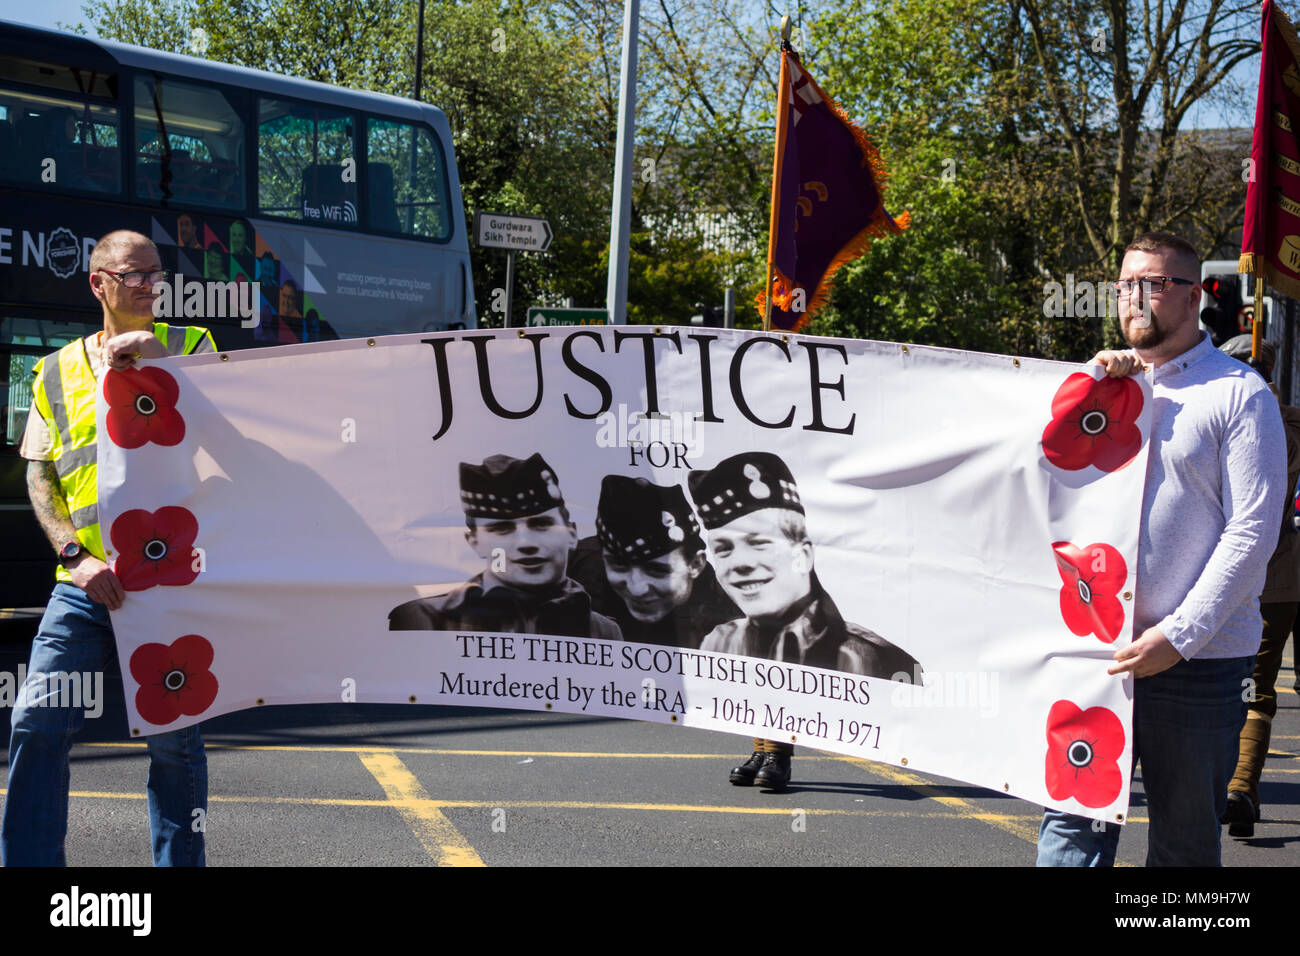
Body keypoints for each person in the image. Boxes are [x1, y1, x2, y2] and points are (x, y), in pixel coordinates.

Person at [1036, 232, 1287, 867]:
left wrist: (1179, 636)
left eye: (1155, 283)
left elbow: (1253, 531)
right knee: (1071, 834)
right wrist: (1087, 390)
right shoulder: (1101, 386)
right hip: (1094, 648)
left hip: (1196, 664)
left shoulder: (1239, 394)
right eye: (1125, 285)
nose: (1135, 298)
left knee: (1182, 845)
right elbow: (1040, 488)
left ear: (1196, 294)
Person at [2, 230, 215, 866]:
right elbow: (40, 471)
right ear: (99, 284)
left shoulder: (192, 346)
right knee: (36, 722)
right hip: (85, 586)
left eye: (157, 274)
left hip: (171, 584)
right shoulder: (57, 369)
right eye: (135, 275)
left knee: (176, 748)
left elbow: (231, 434)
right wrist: (75, 555)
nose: (151, 285)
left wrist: (164, 363)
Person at [688, 451, 923, 791]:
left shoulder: (874, 659)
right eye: (723, 548)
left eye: (760, 544)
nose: (740, 563)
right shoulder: (720, 640)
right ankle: (763, 750)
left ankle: (777, 756)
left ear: (803, 554)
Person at [388, 452, 622, 640]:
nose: (526, 543)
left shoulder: (604, 631)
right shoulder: (424, 620)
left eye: (541, 524)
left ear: (572, 534)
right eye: (501, 528)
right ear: (475, 543)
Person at [1217, 335, 1300, 836]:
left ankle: (1242, 787)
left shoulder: (1241, 421)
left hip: (1267, 579)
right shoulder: (1292, 421)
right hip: (1282, 577)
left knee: (1255, 690)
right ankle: (1240, 789)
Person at [568, 475, 738, 648]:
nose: (637, 589)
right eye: (619, 566)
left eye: (657, 570)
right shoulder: (580, 564)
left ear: (696, 565)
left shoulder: (721, 599)